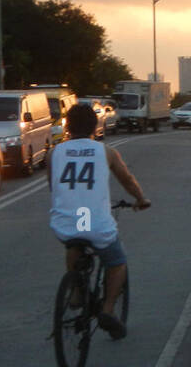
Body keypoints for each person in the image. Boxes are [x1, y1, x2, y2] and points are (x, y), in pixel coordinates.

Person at [49, 103, 150, 339]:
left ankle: (75, 292)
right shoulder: (106, 152)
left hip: (64, 222)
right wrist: (141, 199)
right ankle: (107, 310)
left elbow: (53, 187)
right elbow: (127, 180)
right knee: (117, 262)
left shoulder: (56, 153)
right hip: (96, 224)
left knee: (73, 243)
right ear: (95, 126)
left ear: (68, 127)